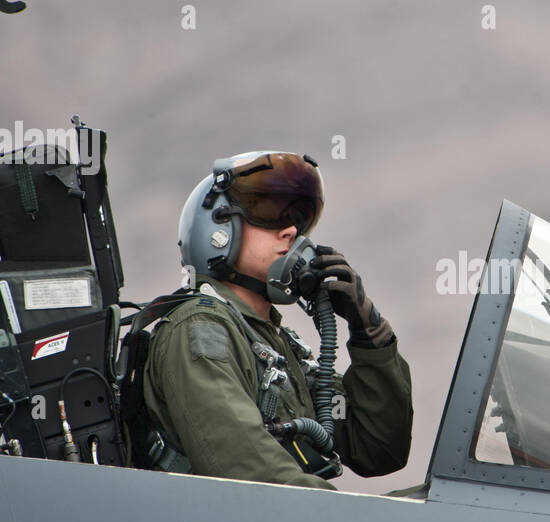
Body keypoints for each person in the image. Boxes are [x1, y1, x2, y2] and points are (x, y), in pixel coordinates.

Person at [141, 151, 413, 488]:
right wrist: (353, 518)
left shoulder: (274, 343)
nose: (290, 230)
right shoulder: (200, 331)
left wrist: (370, 332)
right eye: (268, 212)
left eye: (298, 218)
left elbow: (378, 448)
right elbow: (253, 476)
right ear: (219, 228)